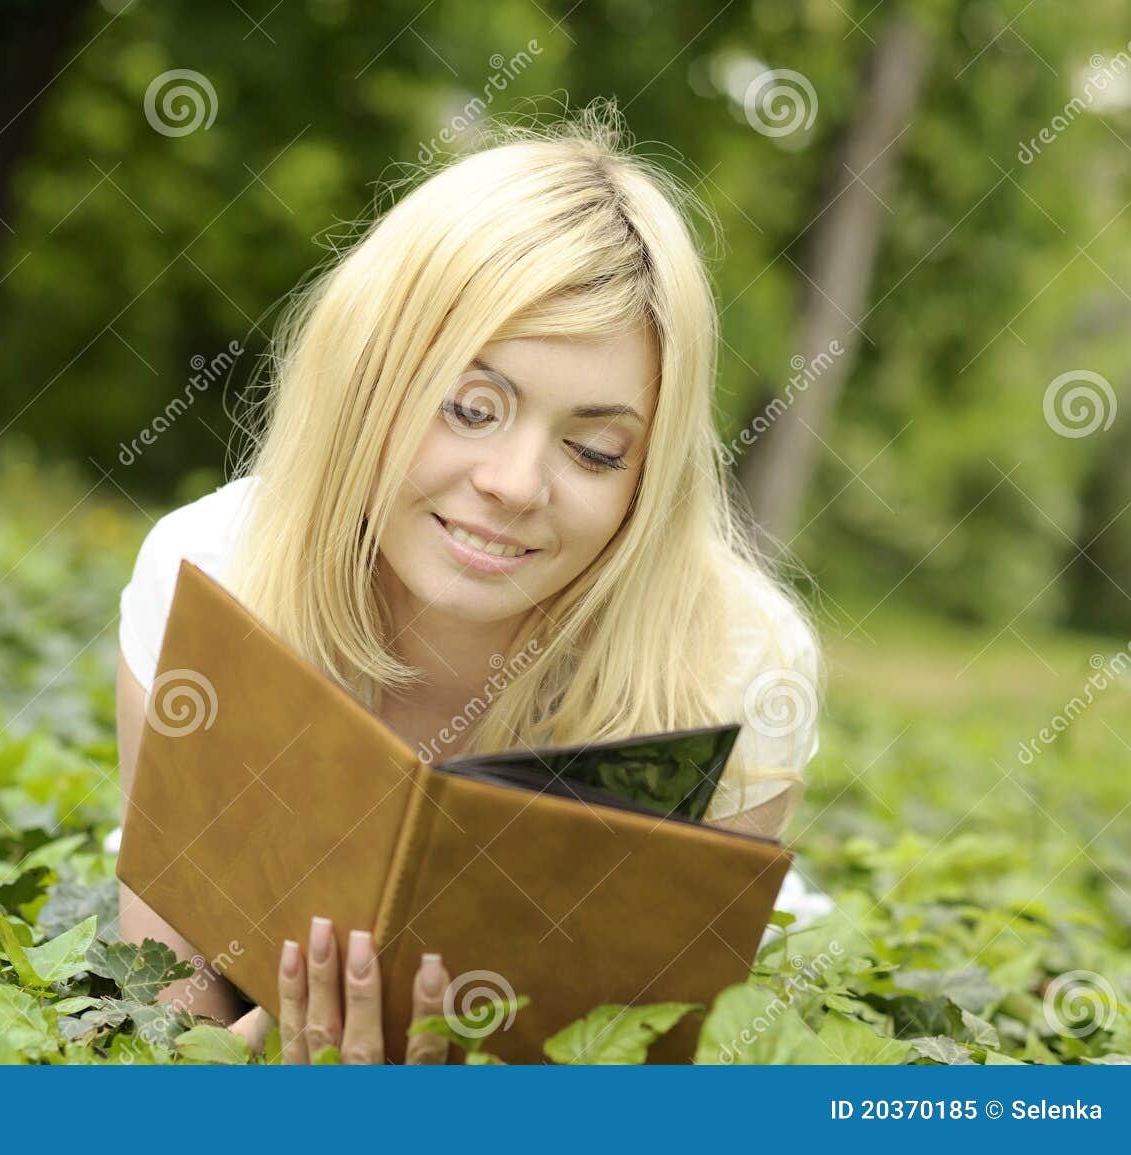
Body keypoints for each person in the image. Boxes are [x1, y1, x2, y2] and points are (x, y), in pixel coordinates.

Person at [114, 106, 827, 1064]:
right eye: (470, 405)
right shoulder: (209, 567)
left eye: (594, 448)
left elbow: (663, 1065)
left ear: (649, 477)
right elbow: (169, 1006)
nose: (515, 484)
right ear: (371, 377)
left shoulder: (743, 662)